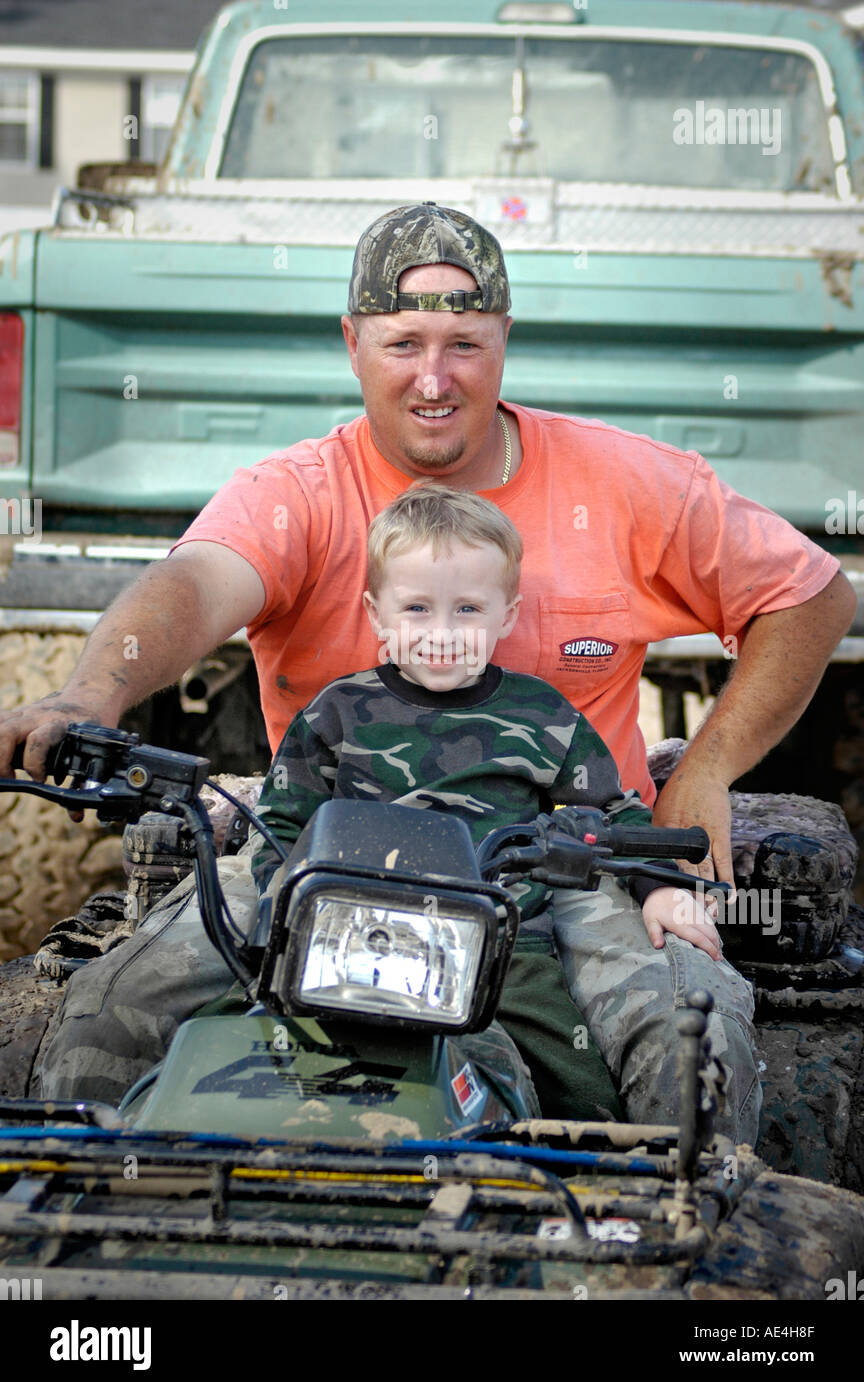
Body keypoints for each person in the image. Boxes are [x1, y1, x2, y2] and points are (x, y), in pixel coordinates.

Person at [0, 204, 853, 1140]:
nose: (435, 379)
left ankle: (665, 1255)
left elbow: (811, 596)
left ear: (505, 341)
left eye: (465, 344)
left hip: (565, 860)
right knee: (107, 1006)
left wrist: (708, 765)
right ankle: (100, 1228)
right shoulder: (298, 495)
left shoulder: (627, 485)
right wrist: (93, 691)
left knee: (693, 1044)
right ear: (353, 344)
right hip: (318, 840)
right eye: (404, 342)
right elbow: (193, 588)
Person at [249, 482, 717, 1120]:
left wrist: (659, 886)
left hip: (506, 941)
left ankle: (588, 1188)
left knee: (577, 1083)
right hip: (356, 934)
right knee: (250, 1032)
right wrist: (283, 901)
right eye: (416, 608)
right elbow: (282, 820)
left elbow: (612, 813)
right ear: (376, 612)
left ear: (508, 614)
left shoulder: (540, 714)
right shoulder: (338, 712)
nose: (442, 633)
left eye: (468, 610)